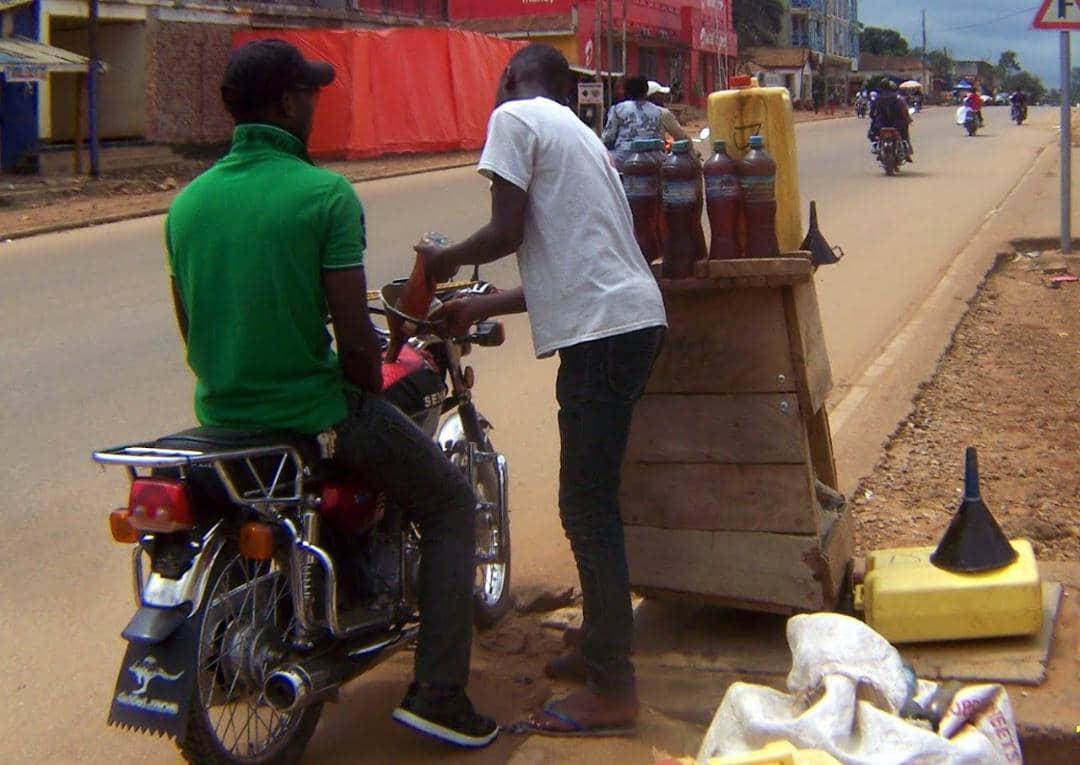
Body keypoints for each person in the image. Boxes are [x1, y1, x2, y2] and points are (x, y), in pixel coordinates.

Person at [164, 39, 497, 749]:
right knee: (447, 504)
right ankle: (439, 692)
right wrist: (368, 376)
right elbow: (353, 340)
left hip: (223, 419)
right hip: (312, 415)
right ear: (287, 104)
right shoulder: (323, 196)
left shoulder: (187, 205)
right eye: (309, 93)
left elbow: (192, 327)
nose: (316, 103)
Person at [416, 43, 667, 736]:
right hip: (626, 321)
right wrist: (480, 305)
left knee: (585, 508)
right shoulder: (581, 135)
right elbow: (572, 265)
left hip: (604, 335)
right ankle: (597, 646)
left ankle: (615, 686)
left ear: (508, 81)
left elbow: (505, 230)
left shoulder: (515, 117)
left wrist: (441, 262)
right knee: (594, 500)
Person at [601, 74, 664, 169]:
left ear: (627, 91)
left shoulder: (618, 109)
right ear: (646, 90)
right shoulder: (657, 111)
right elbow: (659, 136)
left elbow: (608, 137)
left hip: (624, 158)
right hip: (654, 158)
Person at [646, 80, 701, 159]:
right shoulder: (662, 113)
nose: (664, 97)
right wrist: (694, 152)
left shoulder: (627, 110)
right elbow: (681, 137)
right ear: (653, 96)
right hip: (655, 158)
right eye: (660, 94)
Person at [868, 80, 914, 160]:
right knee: (904, 135)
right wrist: (907, 119)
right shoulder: (898, 97)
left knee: (872, 133)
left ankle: (876, 145)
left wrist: (873, 117)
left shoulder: (877, 98)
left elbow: (872, 111)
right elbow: (904, 110)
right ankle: (906, 151)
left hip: (881, 123)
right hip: (897, 123)